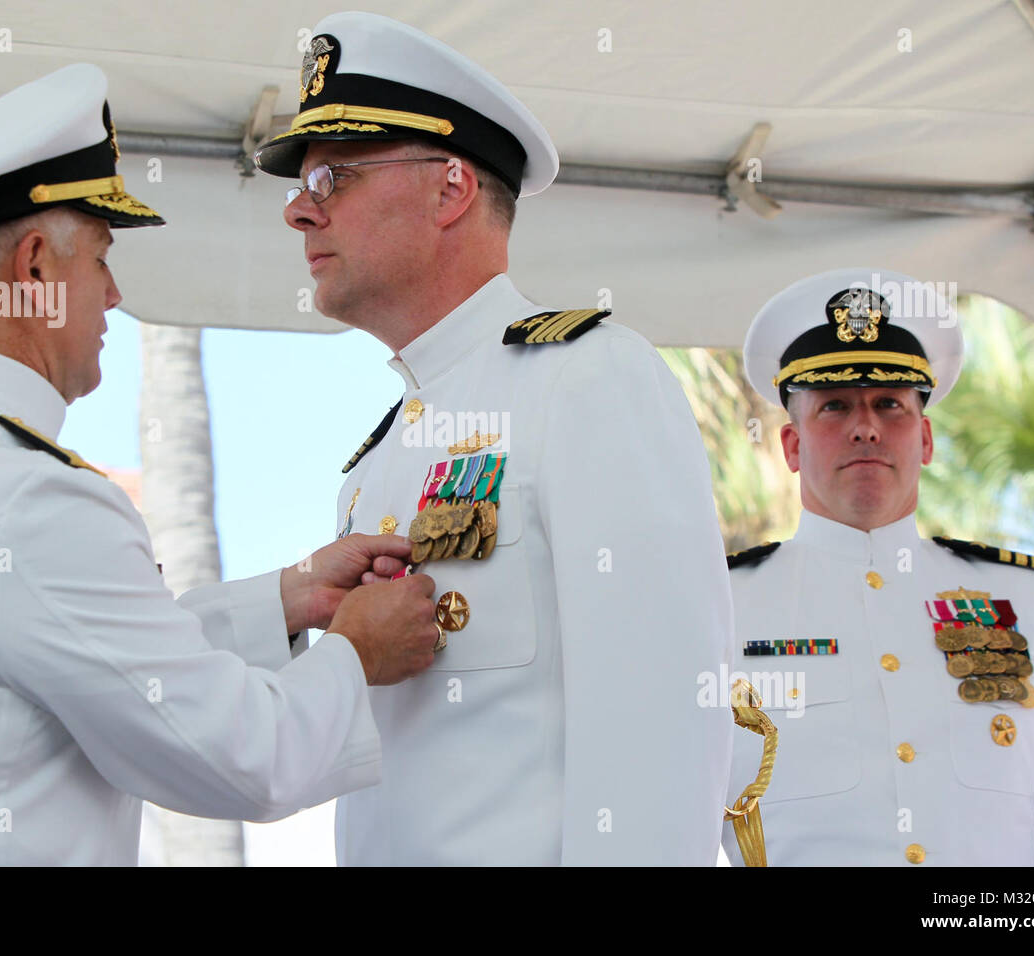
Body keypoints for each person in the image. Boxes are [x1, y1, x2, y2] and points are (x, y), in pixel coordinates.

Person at [0, 63, 440, 865]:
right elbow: (242, 758)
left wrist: (286, 600)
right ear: (34, 267)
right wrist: (357, 650)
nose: (112, 296)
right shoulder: (32, 498)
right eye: (101, 258)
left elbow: (55, 652)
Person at [254, 12, 733, 865]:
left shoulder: (587, 379)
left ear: (451, 187)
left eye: (333, 176)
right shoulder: (371, 467)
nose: (298, 209)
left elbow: (659, 722)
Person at [722, 266, 1034, 865]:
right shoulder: (722, 607)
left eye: (889, 405)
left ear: (924, 439)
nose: (866, 428)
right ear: (792, 446)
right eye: (835, 407)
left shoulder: (1026, 599)